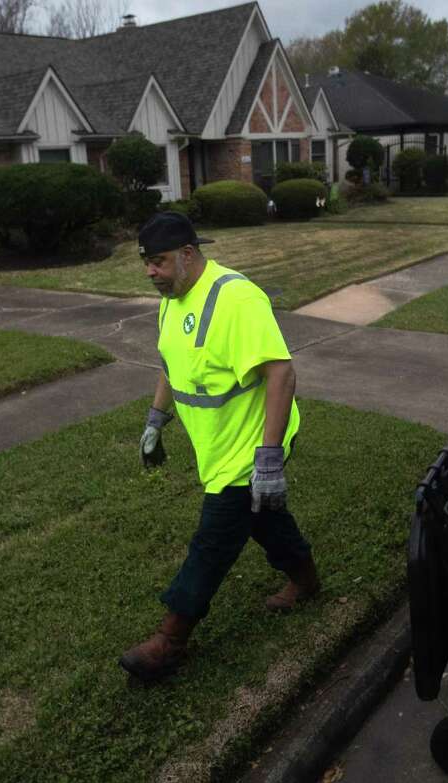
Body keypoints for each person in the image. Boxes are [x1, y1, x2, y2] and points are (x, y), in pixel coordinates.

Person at [119, 211, 321, 684]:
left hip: (252, 446)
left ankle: (169, 640)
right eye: (146, 263)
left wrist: (269, 458)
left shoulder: (237, 298)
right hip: (217, 447)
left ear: (189, 255)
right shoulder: (172, 298)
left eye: (160, 262)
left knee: (214, 539)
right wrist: (156, 420)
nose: (151, 272)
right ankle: (306, 579)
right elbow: (173, 363)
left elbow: (281, 373)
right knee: (263, 517)